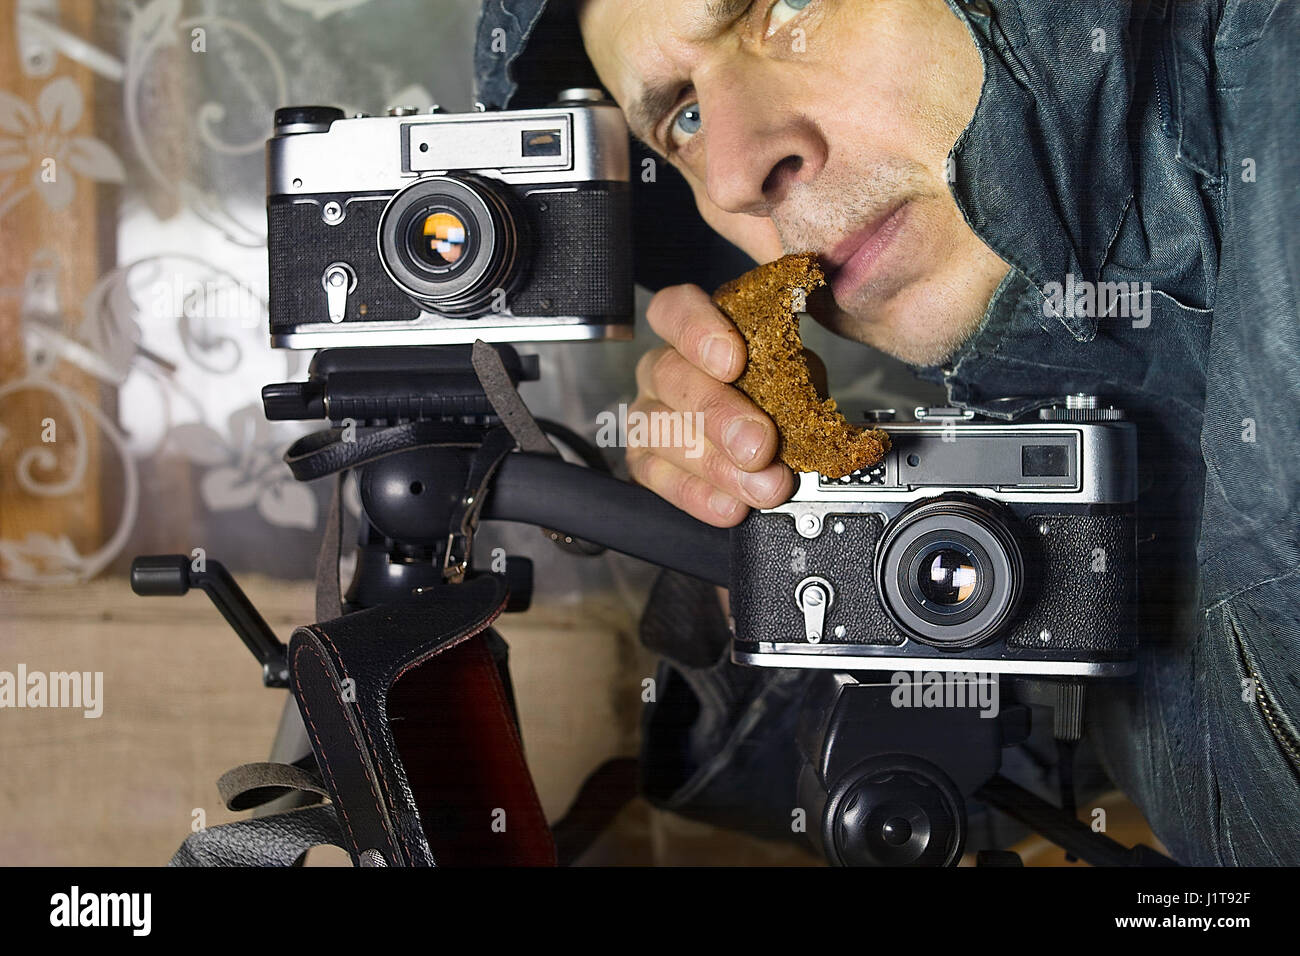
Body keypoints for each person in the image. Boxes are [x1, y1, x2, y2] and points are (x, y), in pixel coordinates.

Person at [475, 0, 1300, 864]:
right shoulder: (1051, 385)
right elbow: (989, 773)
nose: (732, 170)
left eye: (785, 8)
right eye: (682, 116)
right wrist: (770, 555)